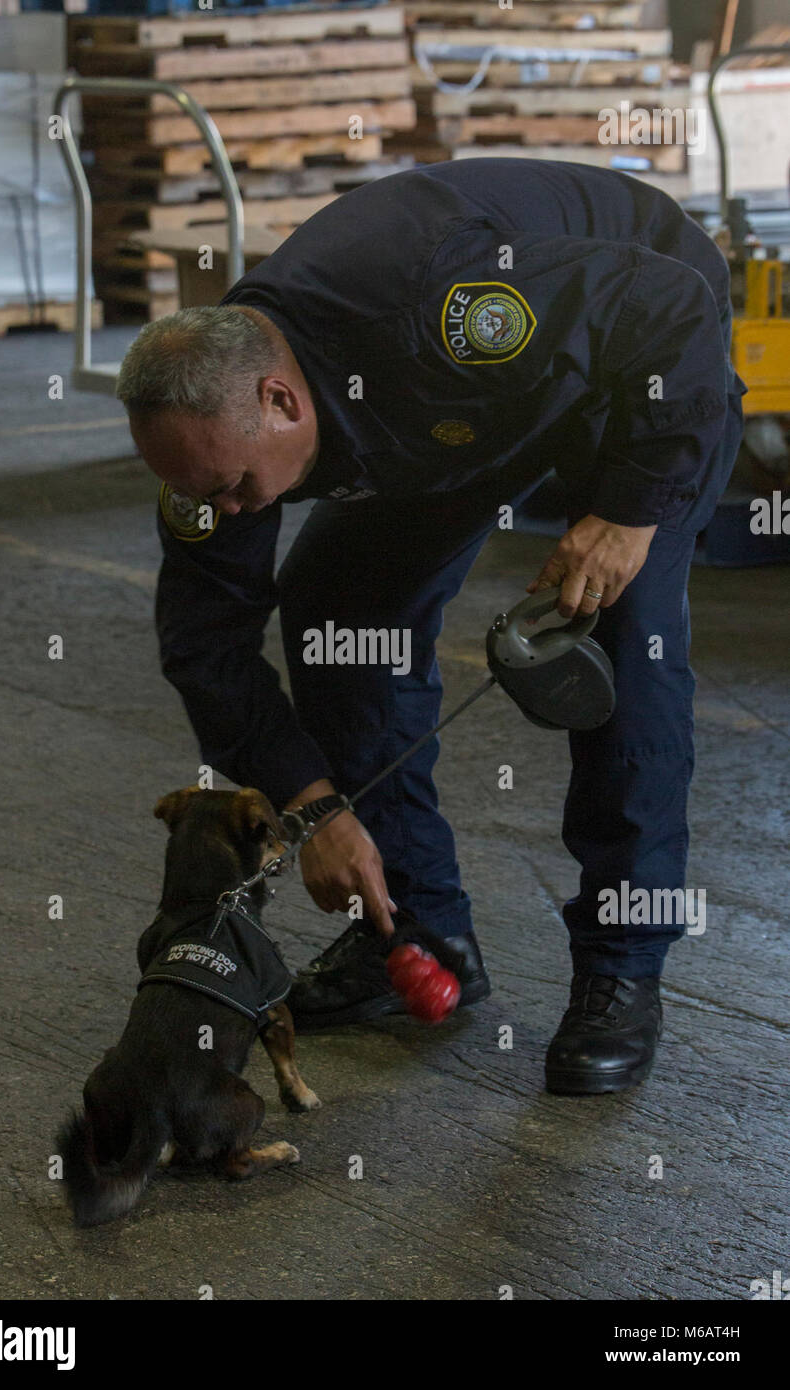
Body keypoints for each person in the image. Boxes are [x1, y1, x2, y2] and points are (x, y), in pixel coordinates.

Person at [117, 158, 746, 1094]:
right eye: (201, 495)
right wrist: (314, 806)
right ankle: (414, 930)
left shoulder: (438, 304)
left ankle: (621, 970)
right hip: (454, 415)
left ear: (279, 403)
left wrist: (627, 515)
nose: (229, 513)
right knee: (339, 606)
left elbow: (675, 307)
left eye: (234, 487)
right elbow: (205, 648)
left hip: (640, 363)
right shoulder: (212, 455)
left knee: (619, 647)